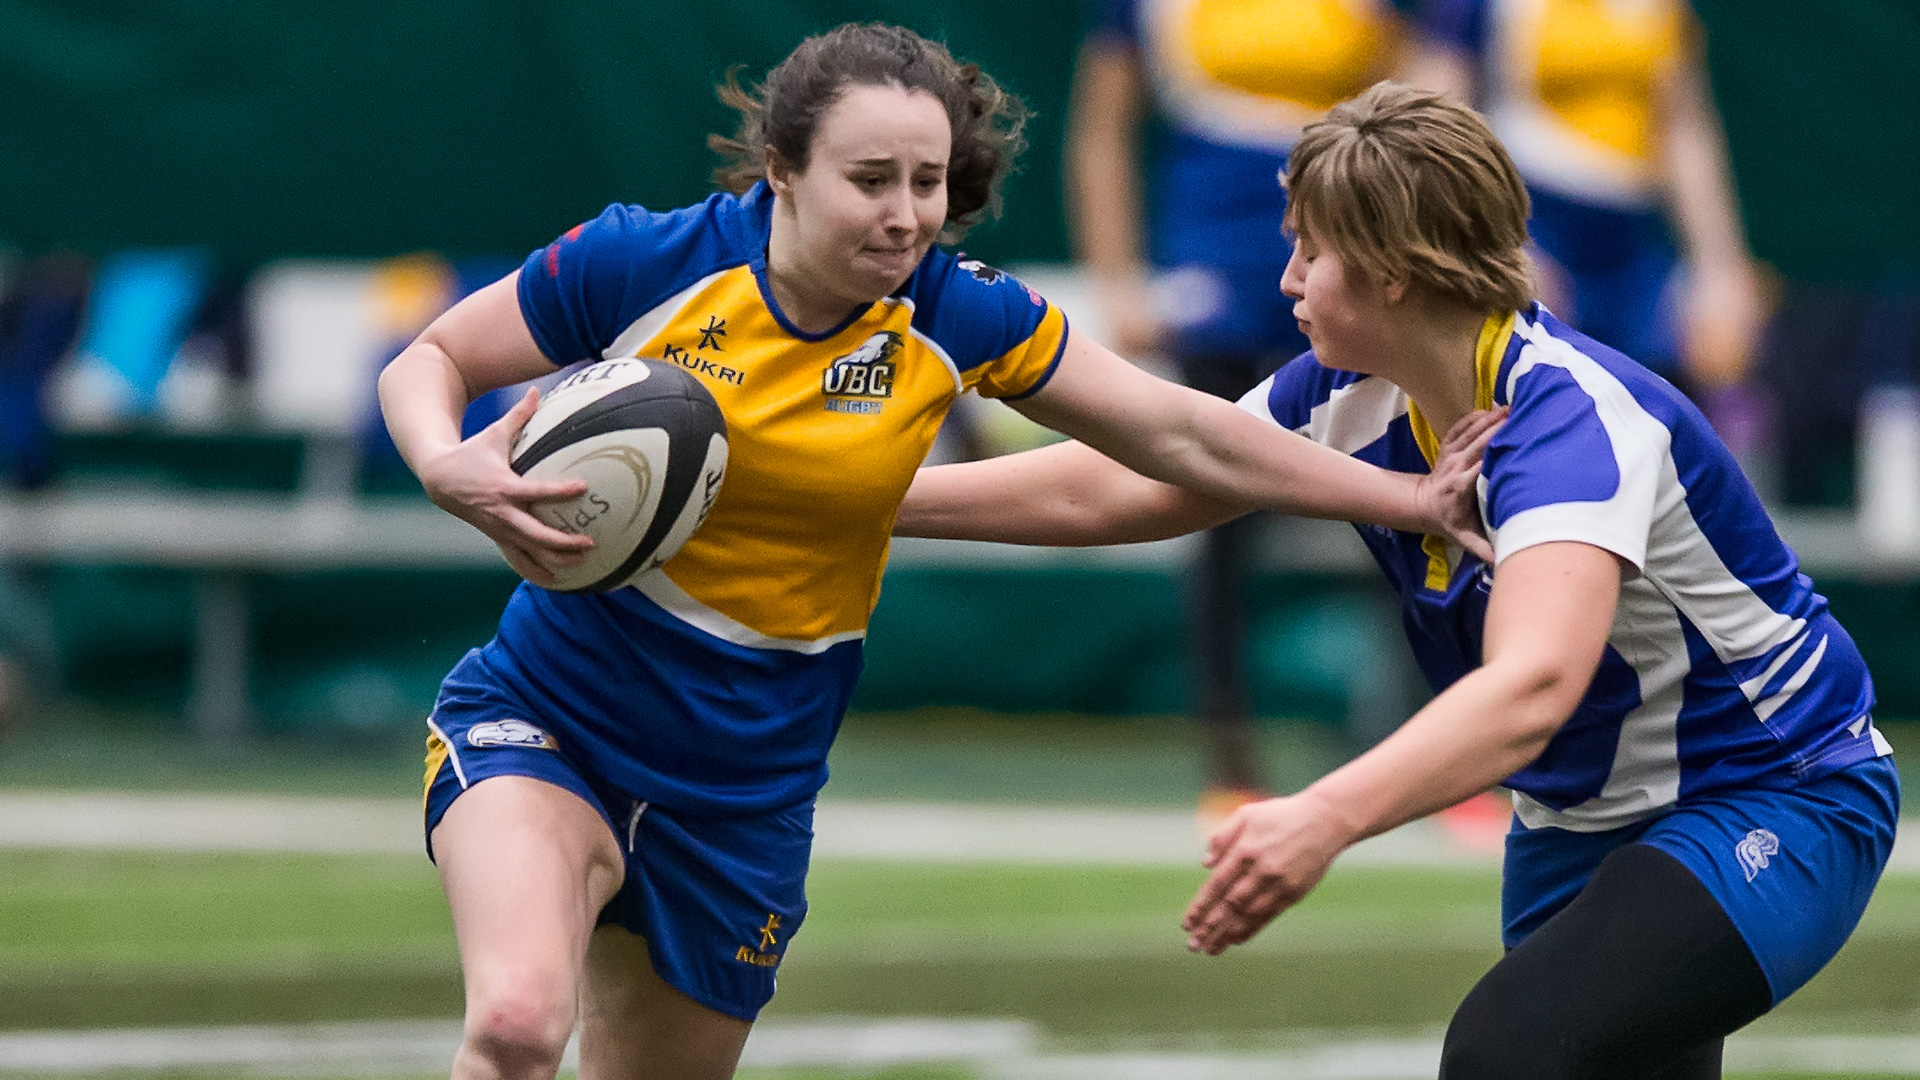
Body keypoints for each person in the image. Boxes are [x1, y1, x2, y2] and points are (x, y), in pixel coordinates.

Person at [377, 26, 1489, 1080]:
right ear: (782, 169)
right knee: (520, 1025)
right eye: (872, 180)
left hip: (746, 787)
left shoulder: (957, 315)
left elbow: (1184, 434)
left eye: (930, 182)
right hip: (557, 716)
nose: (908, 215)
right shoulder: (645, 262)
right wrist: (441, 460)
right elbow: (432, 356)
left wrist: (1407, 497)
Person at [896, 82, 1898, 1079]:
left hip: (1775, 795)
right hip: (1579, 823)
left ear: (1392, 270)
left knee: (1508, 1052)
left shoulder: (1570, 425)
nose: (1284, 277)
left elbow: (1533, 686)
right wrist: (864, 502)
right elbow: (1137, 485)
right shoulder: (1349, 390)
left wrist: (1324, 815)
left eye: (1309, 249)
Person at [1066, 0, 1422, 806]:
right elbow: (1102, 128)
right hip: (1212, 268)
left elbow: (1415, 105)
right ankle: (1229, 760)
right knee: (1214, 507)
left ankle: (1415, 740)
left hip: (1347, 253)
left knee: (1396, 487)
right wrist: (1117, 277)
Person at [1404, 0, 1765, 397]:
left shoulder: (1663, 8)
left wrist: (1718, 266)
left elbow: (1684, 129)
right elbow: (1429, 127)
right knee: (1539, 401)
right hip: (1535, 227)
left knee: (1654, 406)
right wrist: (1499, 245)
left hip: (1633, 244)